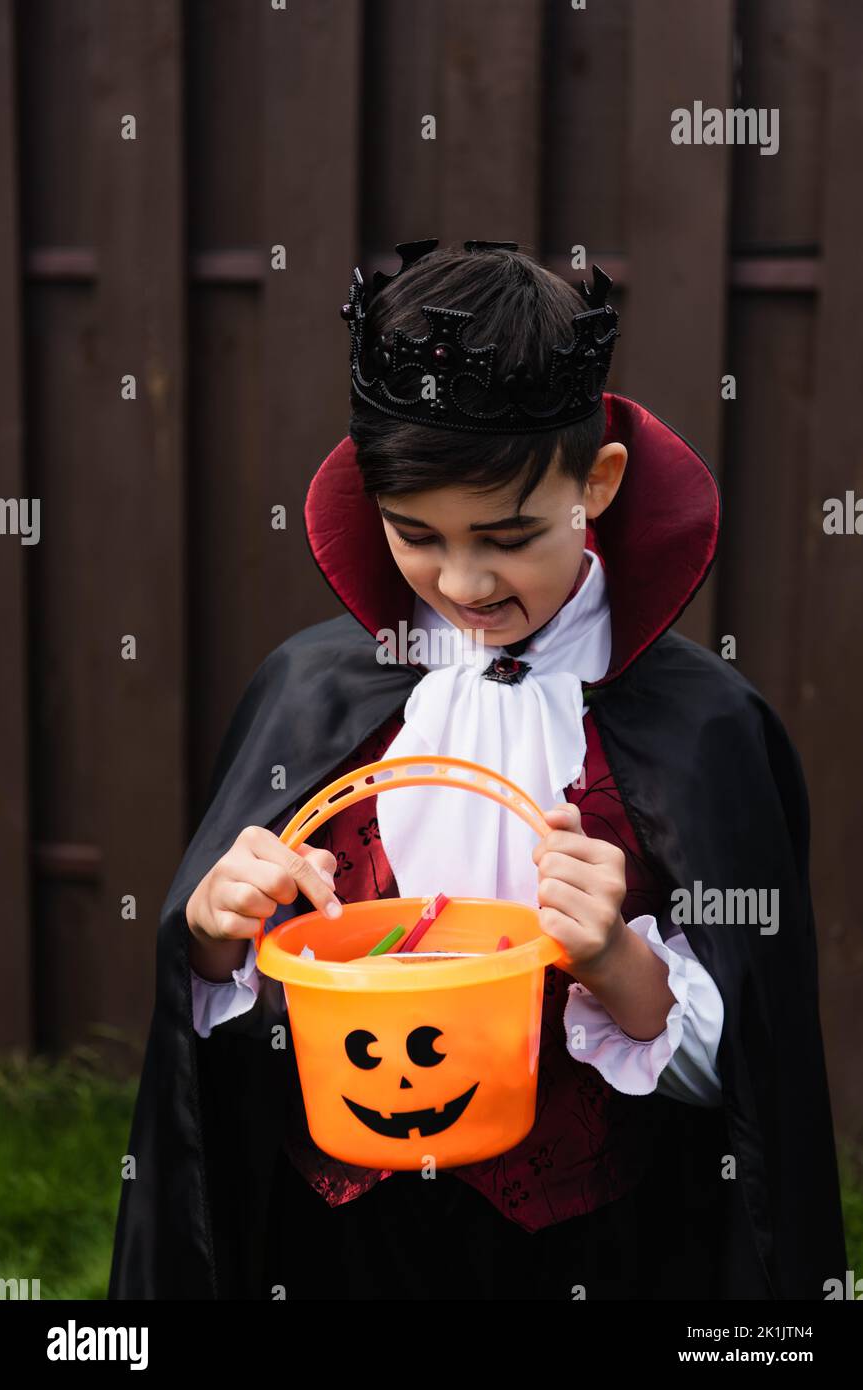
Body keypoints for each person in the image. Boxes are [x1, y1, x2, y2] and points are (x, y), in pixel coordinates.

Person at [108, 240, 847, 1301]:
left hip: (590, 1248)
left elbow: (753, 1085)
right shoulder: (312, 691)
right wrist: (216, 946)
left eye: (505, 536)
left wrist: (619, 971)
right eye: (416, 536)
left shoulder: (701, 728)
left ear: (594, 484)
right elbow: (221, 1050)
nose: (461, 579)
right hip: (339, 1245)